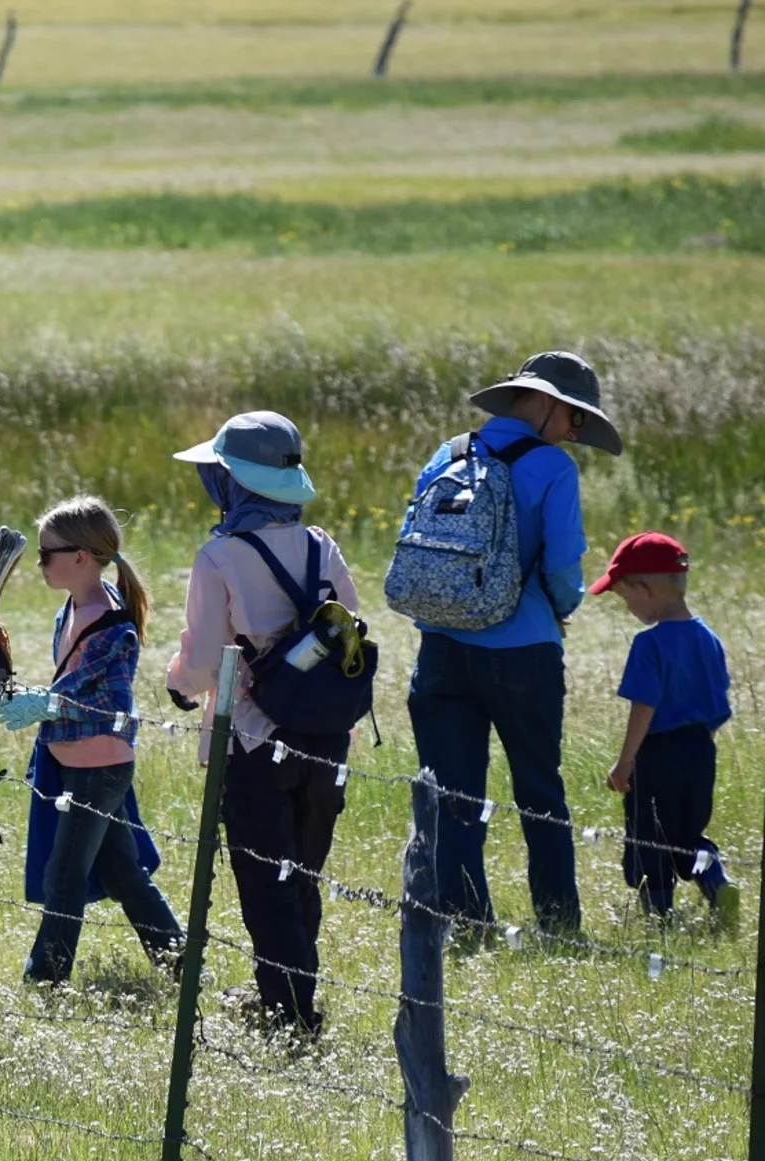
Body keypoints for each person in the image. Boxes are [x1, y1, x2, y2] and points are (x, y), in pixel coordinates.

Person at [402, 352, 616, 937]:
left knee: (452, 798)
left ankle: (466, 923)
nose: (574, 432)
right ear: (543, 403)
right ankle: (557, 923)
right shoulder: (552, 468)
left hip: (442, 648)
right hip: (523, 652)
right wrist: (562, 609)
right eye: (573, 417)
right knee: (540, 790)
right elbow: (564, 567)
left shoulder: (448, 454)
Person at [166, 412, 358, 1037]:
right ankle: (297, 994)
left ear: (233, 483)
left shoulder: (220, 555)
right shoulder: (321, 545)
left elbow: (201, 664)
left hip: (254, 737)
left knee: (264, 879)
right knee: (301, 872)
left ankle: (290, 1013)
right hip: (328, 734)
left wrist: (176, 684)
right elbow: (347, 628)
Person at [0, 496, 182, 983]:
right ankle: (181, 962)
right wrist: (47, 701)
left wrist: (49, 703)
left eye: (46, 554)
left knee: (64, 874)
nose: (39, 564)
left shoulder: (111, 628)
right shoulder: (72, 607)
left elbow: (109, 702)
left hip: (97, 770)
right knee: (122, 873)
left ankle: (45, 979)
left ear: (80, 557)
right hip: (72, 764)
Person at [594, 532, 741, 925]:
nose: (628, 608)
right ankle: (716, 880)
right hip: (700, 751)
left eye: (626, 598)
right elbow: (719, 703)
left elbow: (644, 706)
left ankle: (659, 918)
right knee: (687, 833)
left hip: (657, 754)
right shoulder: (708, 638)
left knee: (649, 837)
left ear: (643, 589)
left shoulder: (650, 643)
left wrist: (625, 762)